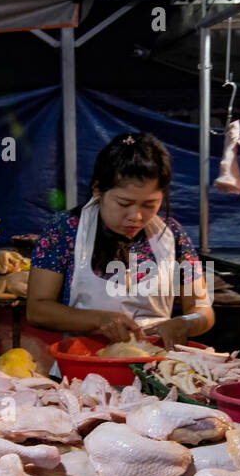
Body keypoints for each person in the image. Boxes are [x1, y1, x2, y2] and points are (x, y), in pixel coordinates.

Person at [27, 131, 214, 348]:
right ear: (98, 190)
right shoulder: (65, 229)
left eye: (149, 205)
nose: (136, 216)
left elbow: (203, 309)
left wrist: (185, 323)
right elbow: (37, 309)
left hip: (154, 368)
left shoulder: (172, 235)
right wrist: (99, 320)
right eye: (124, 204)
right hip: (83, 366)